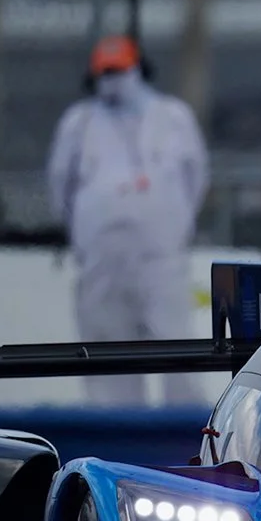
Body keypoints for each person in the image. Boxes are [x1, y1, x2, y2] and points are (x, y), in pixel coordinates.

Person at [46, 35, 209, 404]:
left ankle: (183, 421)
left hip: (160, 252)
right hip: (101, 254)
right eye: (106, 73)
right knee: (107, 343)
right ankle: (115, 420)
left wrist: (174, 224)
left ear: (139, 69)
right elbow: (60, 183)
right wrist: (83, 232)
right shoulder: (79, 122)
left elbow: (196, 176)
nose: (113, 80)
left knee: (175, 338)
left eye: (120, 71)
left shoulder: (172, 116)